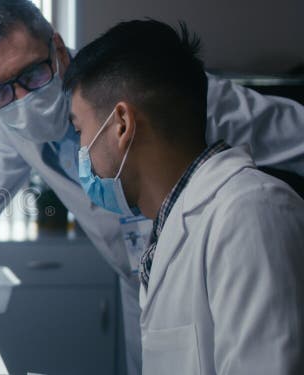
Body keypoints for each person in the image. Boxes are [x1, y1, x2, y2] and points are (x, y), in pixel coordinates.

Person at [0, 1, 304, 373]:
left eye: (33, 76)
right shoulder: (9, 131)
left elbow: (294, 138)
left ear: (57, 48)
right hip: (142, 282)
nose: (22, 101)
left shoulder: (160, 92)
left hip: (213, 266)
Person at [63, 19, 304, 374]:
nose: (80, 151)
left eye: (80, 130)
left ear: (122, 125)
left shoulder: (251, 213)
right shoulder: (170, 225)